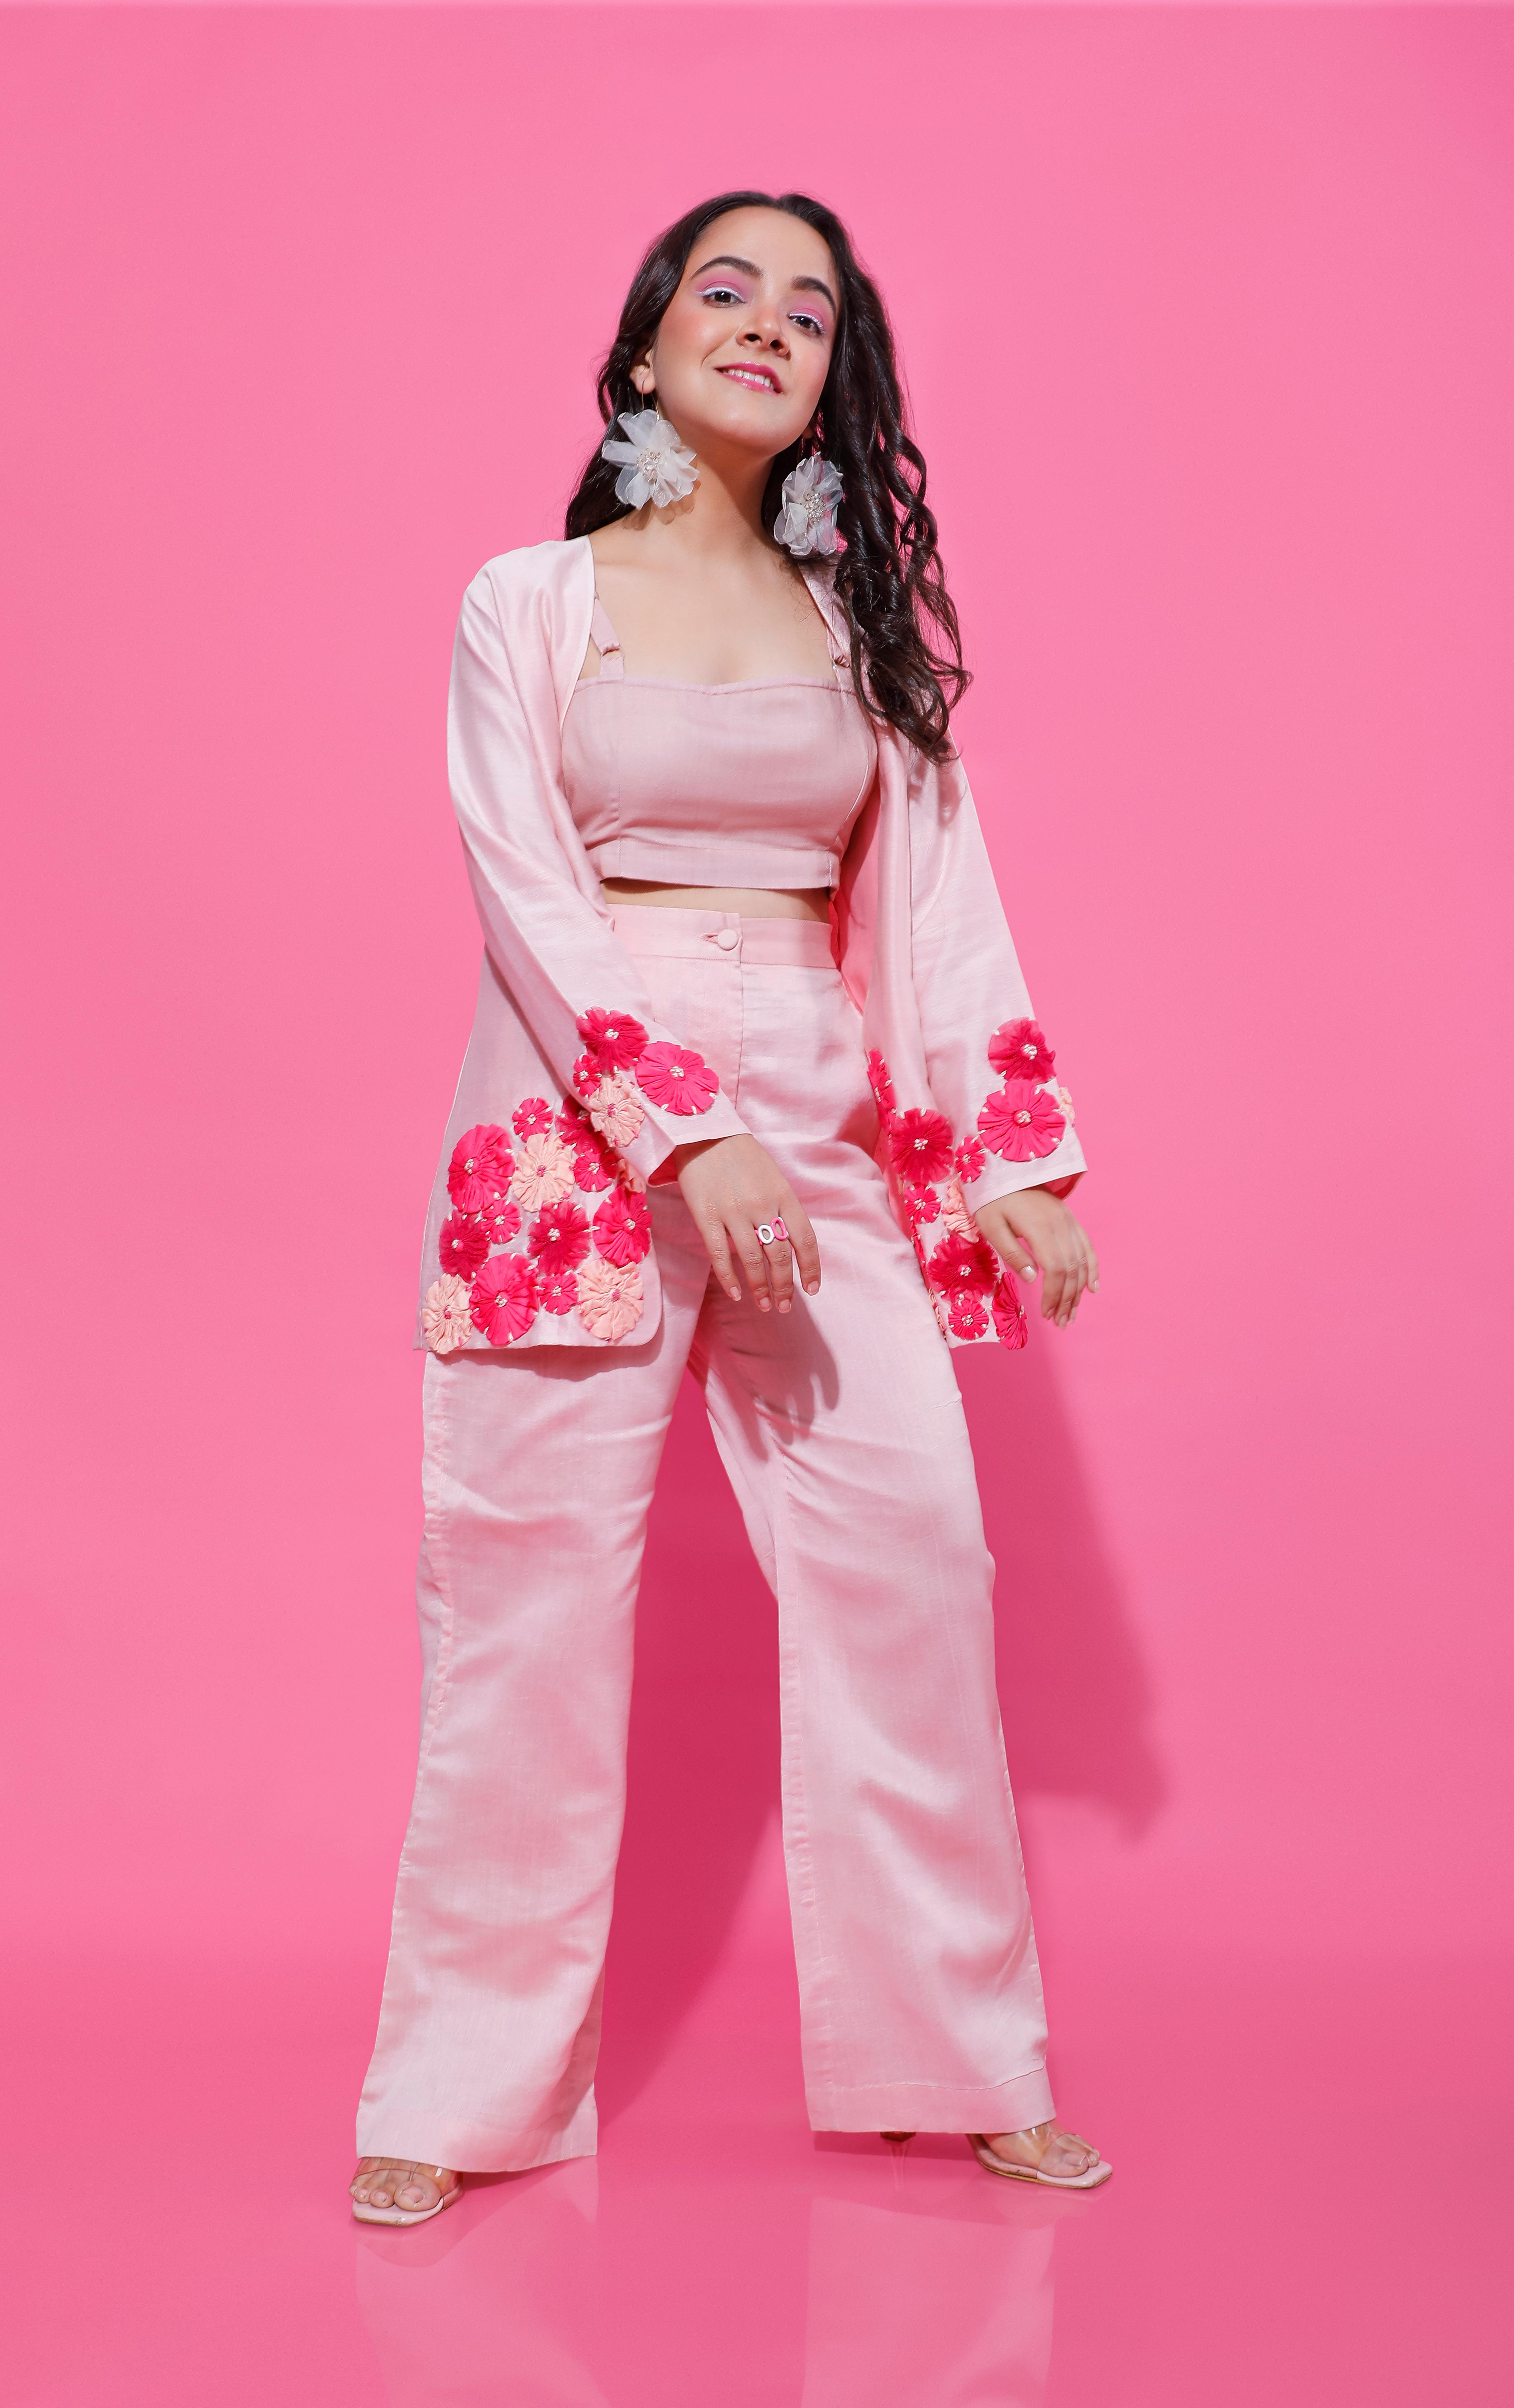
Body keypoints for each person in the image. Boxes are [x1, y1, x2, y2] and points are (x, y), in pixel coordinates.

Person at [351, 190, 1109, 2225]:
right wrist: (683, 1133)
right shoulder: (527, 603)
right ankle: (457, 2091)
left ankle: (962, 2059)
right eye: (727, 287)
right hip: (573, 1120)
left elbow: (941, 914)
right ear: (646, 345)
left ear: (833, 377)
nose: (768, 321)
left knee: (916, 1576)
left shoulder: (864, 641)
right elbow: (522, 888)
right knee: (523, 1601)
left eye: (811, 306)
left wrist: (1014, 1166)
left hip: (822, 1106)